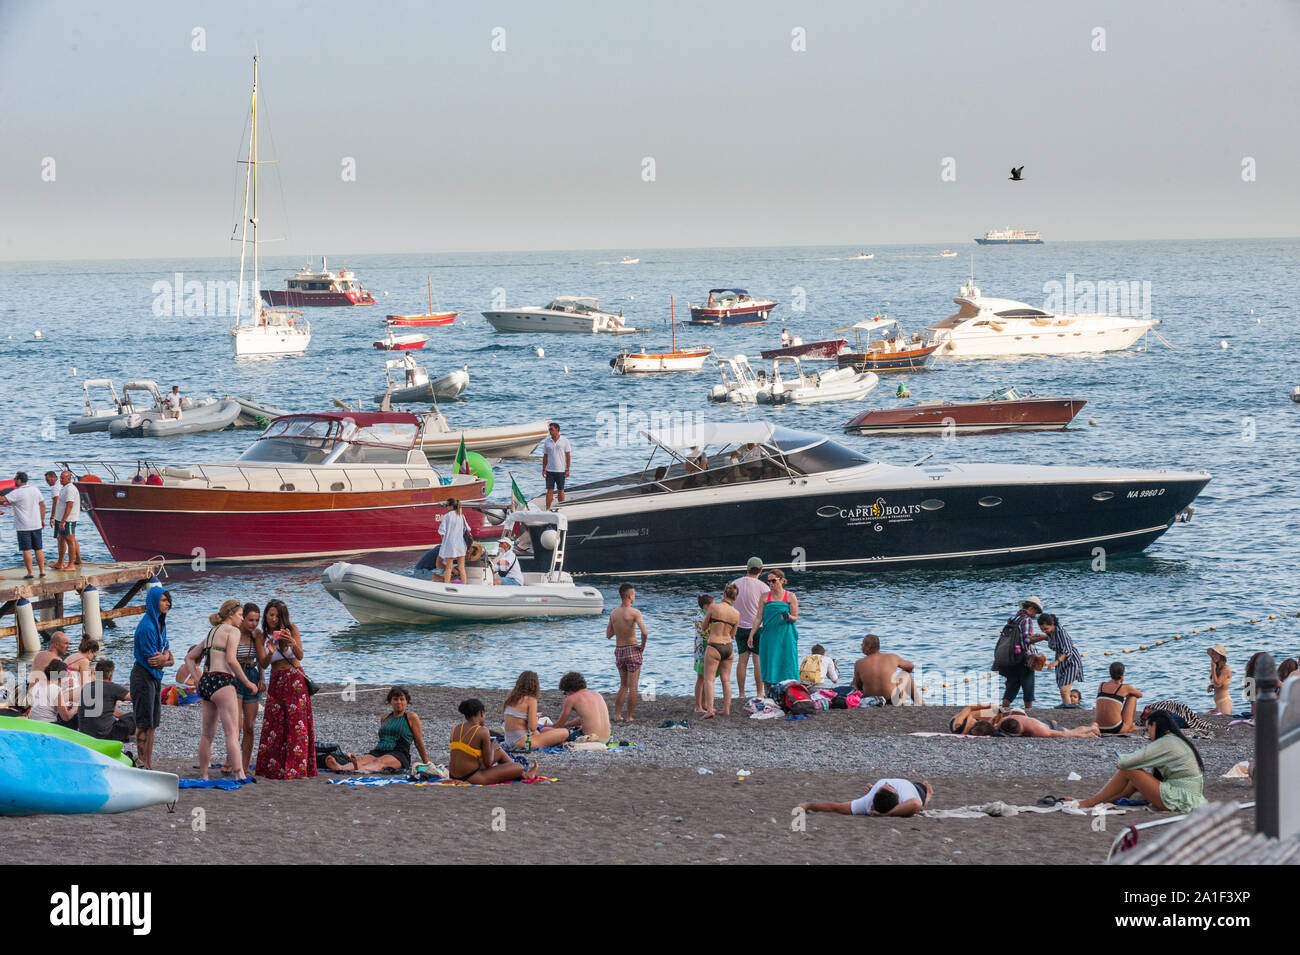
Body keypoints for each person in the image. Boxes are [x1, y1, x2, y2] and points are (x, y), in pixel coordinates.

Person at [1075, 711, 1206, 812]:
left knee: (1129, 770)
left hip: (1180, 798)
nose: (1148, 735)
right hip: (1189, 797)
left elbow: (1126, 763)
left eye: (1148, 729)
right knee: (1135, 779)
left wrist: (1121, 759)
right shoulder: (1176, 740)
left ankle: (1088, 803)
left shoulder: (1166, 742)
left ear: (1154, 725)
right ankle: (1102, 801)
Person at [187, 601, 259, 780]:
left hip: (206, 681)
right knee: (232, 732)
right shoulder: (232, 631)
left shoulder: (212, 632)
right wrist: (248, 682)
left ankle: (204, 775)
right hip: (222, 680)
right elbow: (231, 660)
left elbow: (189, 658)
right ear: (230, 615)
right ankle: (239, 773)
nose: (242, 619)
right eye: (241, 615)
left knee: (207, 734)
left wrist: (197, 680)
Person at [255, 600, 316, 780]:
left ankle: (297, 769)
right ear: (265, 615)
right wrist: (269, 650)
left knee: (298, 725)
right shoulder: (261, 636)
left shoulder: (292, 629)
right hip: (276, 680)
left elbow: (300, 656)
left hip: (295, 679)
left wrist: (291, 642)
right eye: (271, 614)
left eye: (277, 615)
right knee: (275, 724)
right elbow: (263, 664)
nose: (274, 619)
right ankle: (275, 768)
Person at [327, 687, 432, 772]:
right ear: (390, 701)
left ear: (406, 701)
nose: (398, 702)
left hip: (399, 754)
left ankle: (358, 769)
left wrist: (427, 763)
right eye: (395, 699)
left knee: (379, 762)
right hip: (379, 750)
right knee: (362, 759)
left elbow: (418, 742)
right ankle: (341, 768)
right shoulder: (385, 718)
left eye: (402, 699)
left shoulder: (411, 717)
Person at [131, 586, 173, 770]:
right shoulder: (147, 626)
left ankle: (149, 763)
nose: (167, 603)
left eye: (168, 600)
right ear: (154, 602)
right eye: (163, 600)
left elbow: (166, 651)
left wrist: (167, 659)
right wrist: (166, 660)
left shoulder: (160, 624)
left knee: (153, 723)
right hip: (143, 675)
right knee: (143, 722)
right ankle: (141, 762)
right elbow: (153, 660)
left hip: (155, 677)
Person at [449, 698, 539, 783]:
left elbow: (465, 754)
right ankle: (524, 774)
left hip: (453, 775)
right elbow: (488, 763)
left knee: (498, 749)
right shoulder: (482, 731)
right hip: (471, 777)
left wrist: (493, 747)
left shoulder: (456, 728)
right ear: (481, 713)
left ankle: (523, 774)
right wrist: (492, 745)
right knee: (518, 767)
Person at [233, 602, 268, 775]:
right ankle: (232, 761)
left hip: (252, 674)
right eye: (250, 620)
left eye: (256, 620)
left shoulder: (257, 635)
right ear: (243, 618)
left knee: (249, 726)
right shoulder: (234, 632)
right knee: (236, 726)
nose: (253, 623)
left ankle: (245, 765)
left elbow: (261, 660)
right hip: (236, 677)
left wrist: (262, 678)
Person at [606, 582, 648, 722]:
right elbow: (645, 632)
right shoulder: (635, 612)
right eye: (634, 594)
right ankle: (629, 716)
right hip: (632, 649)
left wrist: (620, 629)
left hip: (619, 650)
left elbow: (608, 635)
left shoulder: (613, 613)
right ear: (630, 596)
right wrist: (642, 646)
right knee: (633, 686)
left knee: (623, 685)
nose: (634, 596)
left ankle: (617, 715)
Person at [754, 569, 799, 695]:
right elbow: (758, 617)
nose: (771, 584)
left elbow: (795, 617)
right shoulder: (764, 597)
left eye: (773, 581)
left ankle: (789, 694)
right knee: (768, 664)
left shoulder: (790, 596)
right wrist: (752, 634)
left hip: (786, 636)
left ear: (782, 580)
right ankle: (768, 695)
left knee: (787, 664)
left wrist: (788, 617)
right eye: (769, 581)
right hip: (768, 636)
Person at [730, 557, 769, 699]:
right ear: (761, 570)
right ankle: (759, 693)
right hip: (757, 627)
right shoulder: (763, 587)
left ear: (747, 568)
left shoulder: (735, 583)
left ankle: (741, 694)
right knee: (757, 661)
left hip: (739, 626)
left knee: (742, 661)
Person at [501, 671, 570, 751]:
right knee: (565, 732)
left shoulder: (510, 699)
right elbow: (533, 727)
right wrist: (535, 718)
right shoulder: (531, 700)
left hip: (508, 741)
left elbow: (518, 718)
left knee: (539, 733)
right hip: (522, 742)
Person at [798, 778, 933, 818]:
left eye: (887, 786)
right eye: (888, 786)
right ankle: (928, 795)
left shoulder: (867, 802)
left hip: (913, 787)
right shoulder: (904, 797)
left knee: (921, 798)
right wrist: (809, 805)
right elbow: (915, 804)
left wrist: (809, 805)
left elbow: (836, 807)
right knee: (923, 797)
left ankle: (928, 794)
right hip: (917, 790)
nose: (886, 783)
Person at [700, 583, 739, 718]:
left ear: (724, 594)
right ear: (735, 598)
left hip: (714, 645)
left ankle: (710, 710)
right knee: (726, 680)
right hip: (728, 647)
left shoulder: (714, 608)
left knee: (709, 679)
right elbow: (733, 634)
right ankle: (726, 709)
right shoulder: (736, 613)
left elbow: (704, 627)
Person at [0, 472, 48, 579]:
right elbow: (43, 505)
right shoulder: (35, 489)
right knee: (38, 548)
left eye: (15, 479)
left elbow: (2, 500)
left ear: (19, 480)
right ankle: (42, 571)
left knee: (26, 550)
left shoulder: (17, 493)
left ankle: (30, 573)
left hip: (23, 526)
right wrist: (42, 519)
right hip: (36, 524)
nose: (14, 480)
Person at [998, 596, 1042, 710]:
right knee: (1028, 689)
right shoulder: (1027, 620)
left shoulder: (1013, 618)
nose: (1035, 615)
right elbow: (1027, 640)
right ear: (1031, 608)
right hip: (1023, 659)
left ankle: (1003, 711)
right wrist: (1043, 637)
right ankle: (1029, 712)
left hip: (1011, 658)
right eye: (1036, 612)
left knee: (1011, 687)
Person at [851, 634, 922, 705]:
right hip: (891, 700)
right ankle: (918, 701)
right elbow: (911, 667)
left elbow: (858, 686)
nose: (861, 645)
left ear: (868, 646)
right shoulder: (892, 657)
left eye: (863, 643)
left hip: (870, 700)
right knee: (906, 675)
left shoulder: (859, 663)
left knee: (854, 682)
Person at [78, 659, 135, 742]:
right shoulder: (112, 687)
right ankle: (139, 740)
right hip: (105, 735)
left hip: (85, 733)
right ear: (110, 676)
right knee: (135, 717)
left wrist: (122, 716)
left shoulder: (86, 687)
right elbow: (134, 697)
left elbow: (105, 709)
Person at [1033, 612, 1082, 707]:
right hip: (1060, 661)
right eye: (1042, 629)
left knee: (1064, 690)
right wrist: (1035, 637)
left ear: (1052, 625)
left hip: (1071, 660)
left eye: (1046, 629)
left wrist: (1056, 662)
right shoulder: (1050, 632)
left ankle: (1068, 711)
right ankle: (1067, 710)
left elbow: (1068, 650)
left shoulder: (1060, 632)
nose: (1044, 631)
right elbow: (1049, 638)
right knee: (1063, 690)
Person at [555, 671, 611, 742]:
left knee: (547, 731)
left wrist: (547, 726)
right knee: (572, 728)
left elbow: (559, 725)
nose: (566, 695)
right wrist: (566, 725)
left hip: (590, 739)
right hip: (606, 739)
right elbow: (588, 718)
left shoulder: (571, 698)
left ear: (568, 689)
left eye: (565, 693)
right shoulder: (597, 694)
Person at [1094, 662, 1142, 734]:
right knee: (1133, 696)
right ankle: (1129, 726)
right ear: (1122, 674)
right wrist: (1127, 692)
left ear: (1110, 673)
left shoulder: (1101, 685)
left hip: (1100, 727)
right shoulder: (1125, 687)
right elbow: (1140, 695)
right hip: (1115, 728)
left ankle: (1128, 725)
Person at [27, 659, 78, 727]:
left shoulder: (38, 684)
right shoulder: (56, 689)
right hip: (48, 725)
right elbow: (66, 717)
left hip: (33, 721)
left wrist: (64, 706)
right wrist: (76, 707)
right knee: (76, 716)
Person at [52, 470, 82, 570]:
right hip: (60, 518)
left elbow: (70, 505)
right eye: (60, 477)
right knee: (60, 539)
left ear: (69, 479)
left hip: (68, 520)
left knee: (70, 540)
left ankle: (71, 565)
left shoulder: (70, 489)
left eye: (62, 478)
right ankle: (60, 563)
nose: (60, 479)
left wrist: (63, 520)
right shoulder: (64, 488)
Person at [540, 421, 572, 510]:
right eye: (549, 429)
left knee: (560, 490)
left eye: (551, 429)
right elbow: (545, 456)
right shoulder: (547, 441)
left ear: (557, 429)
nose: (550, 431)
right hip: (550, 470)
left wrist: (567, 469)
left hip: (561, 470)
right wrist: (543, 469)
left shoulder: (564, 440)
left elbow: (568, 456)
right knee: (549, 490)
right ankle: (547, 508)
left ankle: (561, 507)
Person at [436, 498, 469, 583]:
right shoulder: (461, 516)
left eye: (447, 505)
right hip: (461, 544)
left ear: (451, 506)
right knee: (461, 567)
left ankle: (446, 586)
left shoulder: (447, 516)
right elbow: (468, 529)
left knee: (449, 568)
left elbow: (441, 531)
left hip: (450, 545)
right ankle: (464, 585)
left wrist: (443, 543)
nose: (446, 507)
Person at [692, 594, 714, 713]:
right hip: (702, 648)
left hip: (705, 646)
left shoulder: (705, 614)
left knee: (707, 676)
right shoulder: (700, 616)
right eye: (712, 605)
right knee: (701, 677)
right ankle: (698, 706)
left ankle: (705, 703)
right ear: (706, 606)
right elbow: (705, 632)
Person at [995, 714, 1100, 738]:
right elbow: (995, 728)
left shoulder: (1039, 730)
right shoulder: (1003, 721)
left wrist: (1085, 736)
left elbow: (1064, 734)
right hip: (1034, 720)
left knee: (1071, 731)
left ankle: (1092, 728)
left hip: (1046, 725)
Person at [1207, 645, 1232, 714]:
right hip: (1218, 703)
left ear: (1221, 656)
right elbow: (1219, 684)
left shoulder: (1225, 669)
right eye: (1213, 654)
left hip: (1224, 702)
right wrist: (1211, 686)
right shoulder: (1218, 669)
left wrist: (1213, 669)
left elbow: (1218, 684)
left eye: (1216, 654)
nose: (1213, 656)